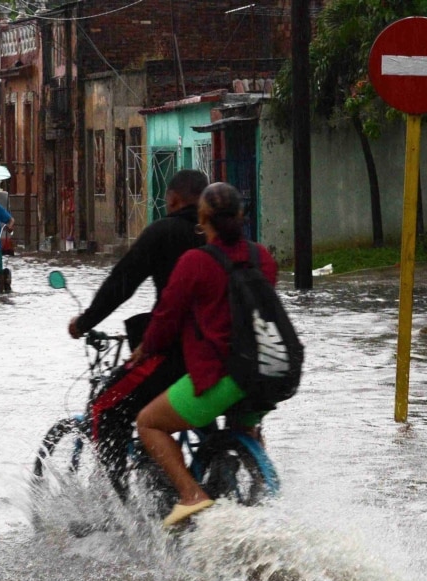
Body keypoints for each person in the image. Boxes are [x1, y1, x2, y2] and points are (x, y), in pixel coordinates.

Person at [132, 182, 277, 527]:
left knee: (148, 423)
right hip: (267, 377)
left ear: (202, 220)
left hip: (223, 376)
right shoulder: (263, 257)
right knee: (242, 424)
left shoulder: (196, 262)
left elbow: (166, 318)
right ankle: (257, 492)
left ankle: (191, 494)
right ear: (242, 217)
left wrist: (144, 348)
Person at [66, 169, 208, 499]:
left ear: (172, 199)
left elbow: (122, 283)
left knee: (104, 407)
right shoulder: (223, 240)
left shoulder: (164, 233)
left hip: (174, 355)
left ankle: (120, 508)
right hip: (222, 359)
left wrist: (84, 322)